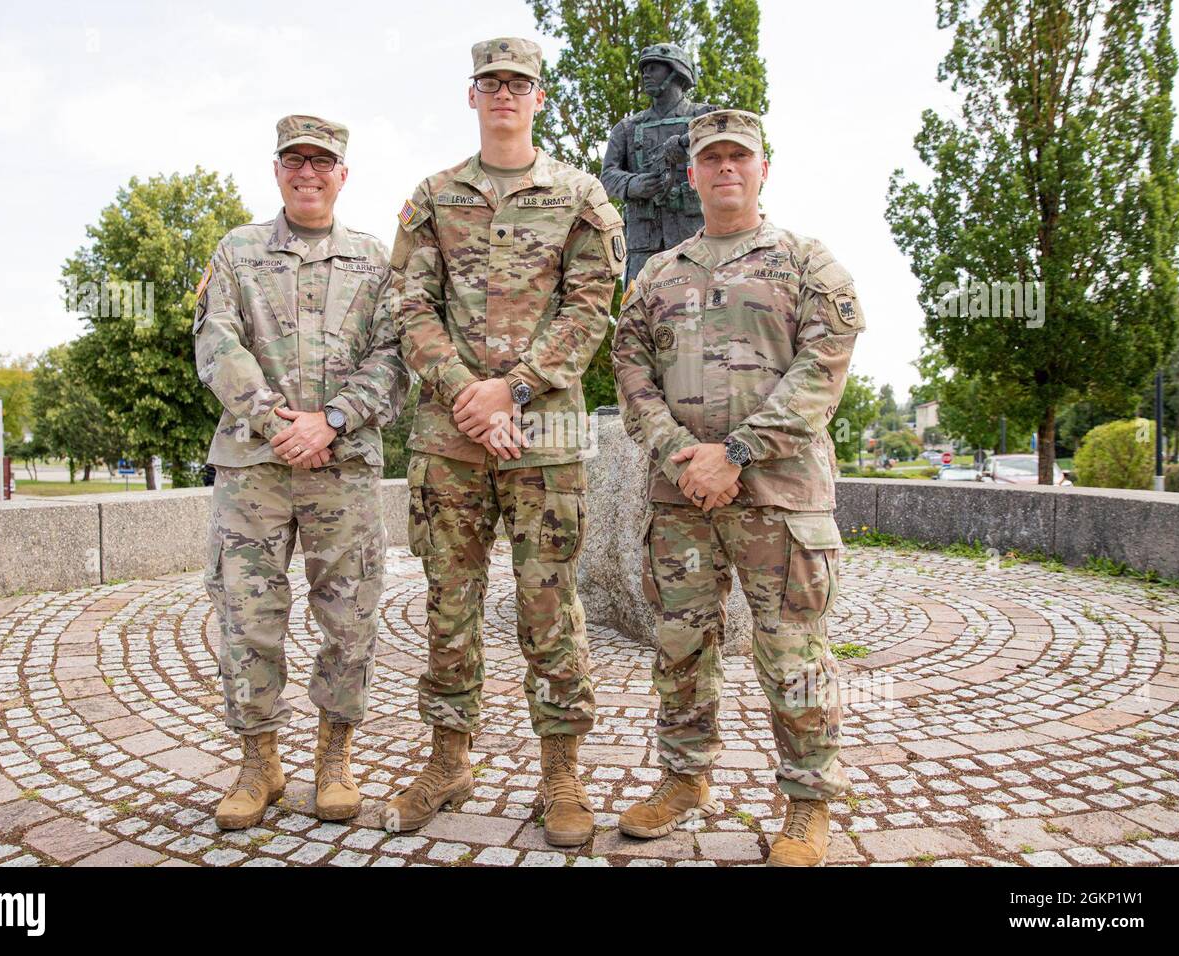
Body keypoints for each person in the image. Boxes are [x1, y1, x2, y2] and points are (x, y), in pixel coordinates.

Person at [383, 37, 625, 848]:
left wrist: (513, 388)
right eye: (491, 83)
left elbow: (591, 307)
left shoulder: (580, 196)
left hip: (545, 431)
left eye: (519, 83)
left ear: (539, 98)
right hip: (448, 437)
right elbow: (408, 306)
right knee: (449, 605)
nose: (504, 95)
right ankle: (449, 760)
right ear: (472, 95)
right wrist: (465, 396)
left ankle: (561, 772)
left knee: (548, 603)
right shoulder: (432, 196)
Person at [611, 109, 866, 866]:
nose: (725, 169)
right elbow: (630, 373)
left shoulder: (805, 262)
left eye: (739, 158)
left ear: (763, 170)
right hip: (681, 496)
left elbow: (823, 369)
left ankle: (808, 801)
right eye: (711, 158)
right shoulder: (657, 275)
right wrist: (684, 454)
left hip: (781, 499)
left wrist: (738, 453)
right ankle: (684, 782)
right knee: (681, 647)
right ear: (691, 175)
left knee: (792, 653)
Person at [193, 114, 409, 830]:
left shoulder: (376, 262)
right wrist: (275, 421)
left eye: (323, 162)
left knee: (348, 619)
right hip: (254, 467)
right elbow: (217, 341)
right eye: (295, 161)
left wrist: (334, 420)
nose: (308, 173)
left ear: (343, 175)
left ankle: (334, 758)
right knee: (247, 618)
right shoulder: (238, 250)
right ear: (277, 169)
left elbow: (394, 357)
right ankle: (259, 764)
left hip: (342, 469)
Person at [600, 43, 718, 285]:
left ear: (676, 71)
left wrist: (685, 144)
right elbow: (607, 177)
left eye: (654, 68)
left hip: (696, 239)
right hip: (644, 243)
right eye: (644, 70)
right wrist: (633, 184)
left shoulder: (705, 118)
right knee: (638, 313)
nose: (646, 75)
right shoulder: (627, 128)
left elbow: (725, 153)